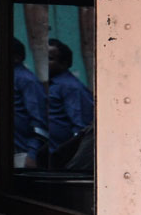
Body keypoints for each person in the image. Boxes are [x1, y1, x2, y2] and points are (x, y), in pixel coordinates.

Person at [46, 40, 95, 165]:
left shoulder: (70, 87)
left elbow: (81, 129)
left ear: (64, 64)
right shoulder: (51, 85)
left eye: (50, 59)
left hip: (64, 160)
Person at [10, 38, 48, 168]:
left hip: (22, 154)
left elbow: (40, 121)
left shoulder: (26, 80)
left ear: (16, 58)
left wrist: (32, 154)